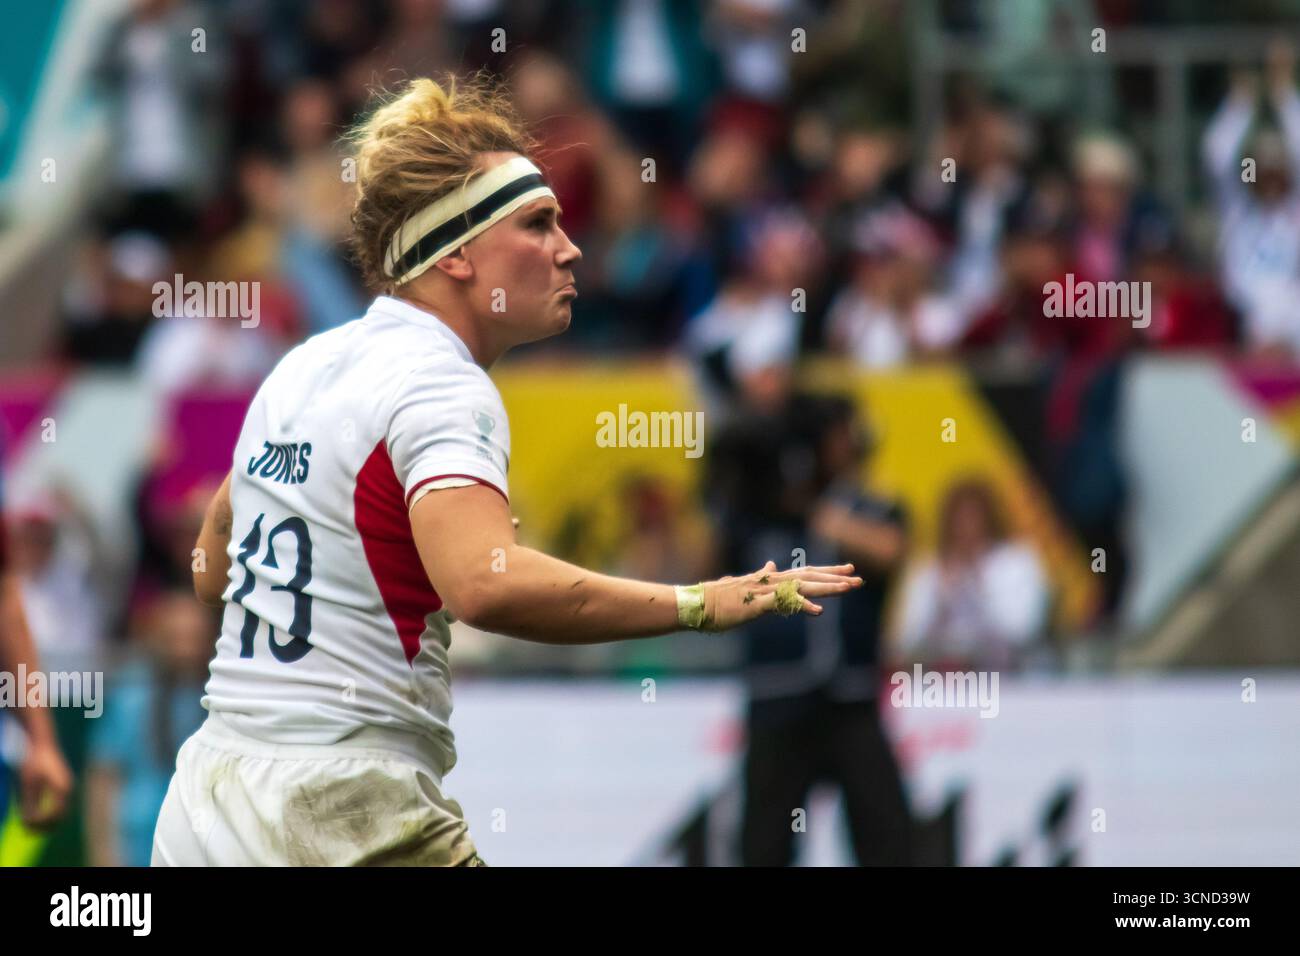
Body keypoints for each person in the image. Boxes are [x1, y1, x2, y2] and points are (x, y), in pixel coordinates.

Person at [151, 73, 862, 867]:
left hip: (207, 801)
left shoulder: (303, 367)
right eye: (538, 223)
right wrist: (699, 603)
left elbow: (212, 567)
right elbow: (484, 586)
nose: (571, 247)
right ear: (456, 253)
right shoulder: (445, 383)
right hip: (342, 802)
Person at [713, 393, 912, 866]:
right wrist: (729, 493)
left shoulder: (869, 508)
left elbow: (891, 551)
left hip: (849, 698)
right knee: (764, 845)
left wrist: (812, 508)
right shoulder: (753, 515)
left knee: (887, 832)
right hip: (776, 698)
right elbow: (711, 577)